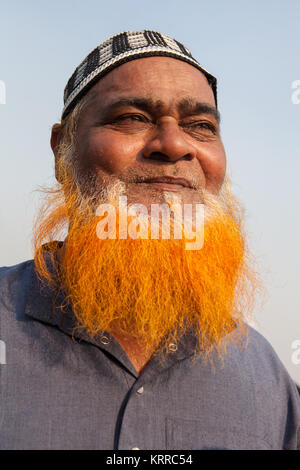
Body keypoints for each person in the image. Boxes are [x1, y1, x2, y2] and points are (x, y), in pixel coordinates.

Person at [0, 30, 299, 450]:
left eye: (201, 126)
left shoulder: (266, 379)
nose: (175, 145)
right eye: (132, 118)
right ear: (62, 148)